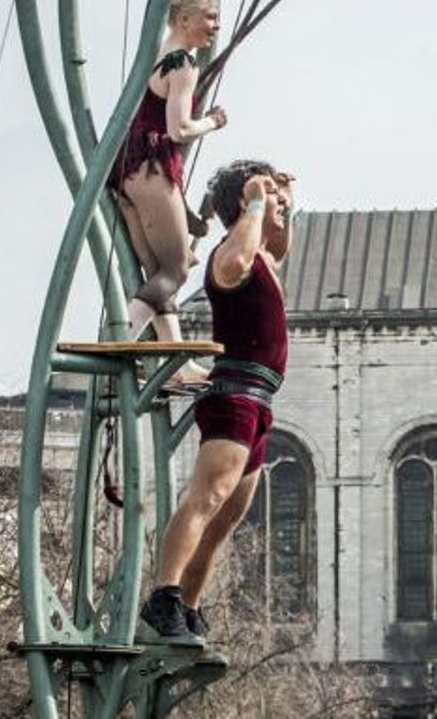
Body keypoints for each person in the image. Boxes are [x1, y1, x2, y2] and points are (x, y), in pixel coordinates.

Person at [139, 159, 293, 646]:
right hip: (235, 397)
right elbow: (233, 266)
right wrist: (255, 202)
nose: (279, 204)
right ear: (246, 206)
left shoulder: (263, 256)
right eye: (271, 198)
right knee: (206, 500)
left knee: (226, 518)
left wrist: (283, 202)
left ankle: (188, 606)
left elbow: (278, 246)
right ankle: (163, 597)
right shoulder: (230, 254)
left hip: (259, 400)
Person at [108, 0, 229, 343]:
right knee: (176, 270)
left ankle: (173, 355)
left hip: (127, 170)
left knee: (157, 271)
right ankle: (120, 338)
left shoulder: (155, 54)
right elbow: (180, 130)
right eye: (210, 17)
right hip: (152, 168)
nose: (216, 26)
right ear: (184, 19)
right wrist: (212, 122)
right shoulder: (182, 65)